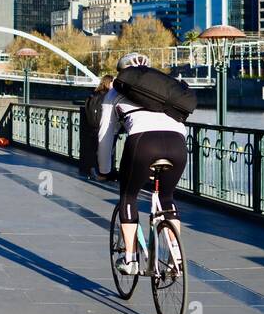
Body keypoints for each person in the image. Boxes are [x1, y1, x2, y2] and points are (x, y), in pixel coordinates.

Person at [96, 53, 188, 276]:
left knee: (128, 197)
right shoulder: (164, 88)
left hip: (143, 142)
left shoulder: (114, 92)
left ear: (122, 73)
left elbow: (105, 136)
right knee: (166, 198)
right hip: (177, 144)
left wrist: (104, 170)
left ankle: (130, 259)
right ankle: (176, 257)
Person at [79, 74, 112, 179]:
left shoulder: (93, 95)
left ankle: (91, 169)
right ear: (109, 83)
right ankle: (103, 172)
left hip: (91, 126)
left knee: (93, 149)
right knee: (105, 150)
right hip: (103, 127)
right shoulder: (108, 96)